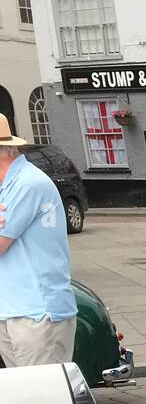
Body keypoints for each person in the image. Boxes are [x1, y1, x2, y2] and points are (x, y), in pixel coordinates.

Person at [0, 113, 76, 367]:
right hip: (16, 310)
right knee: (27, 398)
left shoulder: (26, 184)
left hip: (35, 314)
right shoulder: (11, 184)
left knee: (44, 400)